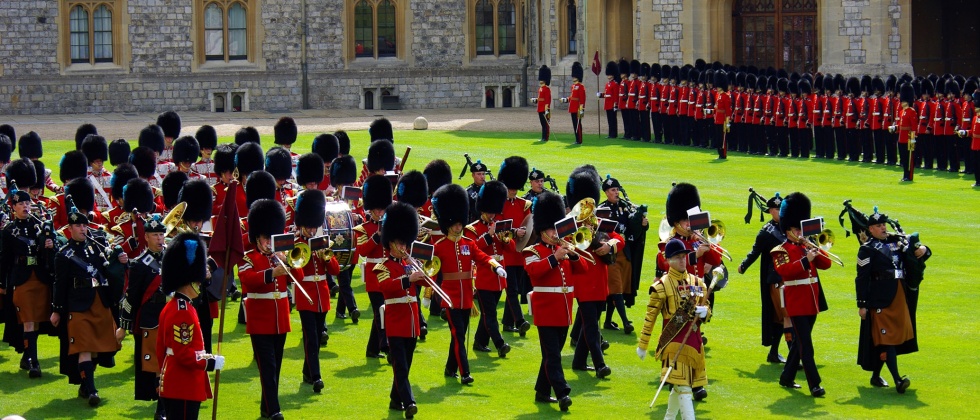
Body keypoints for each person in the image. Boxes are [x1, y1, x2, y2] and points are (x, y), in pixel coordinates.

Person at [51, 206, 127, 407]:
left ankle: (86, 385)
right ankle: (92, 391)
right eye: (78, 226)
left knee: (95, 349)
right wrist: (56, 309)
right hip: (77, 305)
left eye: (84, 225)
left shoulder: (97, 248)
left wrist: (120, 260)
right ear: (70, 228)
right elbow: (60, 283)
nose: (82, 229)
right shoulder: (63, 254)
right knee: (83, 347)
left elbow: (109, 270)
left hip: (99, 301)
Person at [431, 184, 506, 385]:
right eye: (455, 224)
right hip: (450, 298)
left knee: (459, 335)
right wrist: (430, 295)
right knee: (458, 336)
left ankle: (450, 368)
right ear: (448, 224)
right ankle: (465, 372)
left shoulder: (468, 243)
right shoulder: (439, 247)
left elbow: (482, 256)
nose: (458, 227)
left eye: (460, 224)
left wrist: (496, 266)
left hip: (466, 297)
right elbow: (431, 270)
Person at [524, 191, 587, 412]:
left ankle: (542, 391)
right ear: (542, 231)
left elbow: (584, 269)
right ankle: (562, 392)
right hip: (545, 310)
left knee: (552, 355)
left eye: (555, 229)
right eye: (551, 229)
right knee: (552, 356)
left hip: (564, 309)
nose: (554, 233)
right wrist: (555, 257)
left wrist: (574, 255)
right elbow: (534, 271)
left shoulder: (565, 247)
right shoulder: (532, 251)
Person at [855, 208, 930, 394]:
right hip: (879, 298)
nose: (883, 228)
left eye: (883, 224)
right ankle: (898, 380)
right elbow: (861, 278)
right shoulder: (866, 249)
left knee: (891, 338)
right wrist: (862, 304)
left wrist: (923, 249)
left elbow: (916, 254)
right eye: (878, 226)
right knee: (887, 338)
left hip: (899, 294)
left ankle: (875, 376)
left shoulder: (897, 241)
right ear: (870, 229)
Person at [637, 238, 711, 420]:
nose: (682, 260)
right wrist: (643, 345)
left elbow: (706, 308)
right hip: (673, 342)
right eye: (677, 257)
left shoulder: (697, 282)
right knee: (684, 389)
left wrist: (705, 312)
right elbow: (650, 317)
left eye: (683, 257)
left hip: (694, 343)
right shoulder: (661, 286)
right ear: (668, 260)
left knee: (680, 386)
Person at [238, 199, 298, 420]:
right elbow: (247, 280)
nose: (268, 242)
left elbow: (299, 277)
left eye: (271, 238)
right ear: (257, 238)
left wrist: (288, 261)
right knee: (268, 367)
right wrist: (272, 273)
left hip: (280, 318)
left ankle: (266, 407)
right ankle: (274, 410)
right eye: (265, 238)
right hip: (260, 319)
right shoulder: (248, 258)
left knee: (277, 365)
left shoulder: (279, 256)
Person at [156, 233, 224, 420]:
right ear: (189, 281)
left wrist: (208, 356)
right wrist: (209, 363)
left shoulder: (176, 306)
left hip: (176, 382)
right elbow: (184, 354)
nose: (200, 284)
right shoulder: (183, 311)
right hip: (183, 384)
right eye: (197, 280)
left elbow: (163, 349)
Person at [770, 192, 831, 397]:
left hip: (811, 301)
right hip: (796, 302)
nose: (800, 232)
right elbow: (785, 271)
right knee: (806, 345)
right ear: (788, 230)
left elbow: (826, 264)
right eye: (797, 229)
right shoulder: (780, 250)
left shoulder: (806, 246)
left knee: (799, 342)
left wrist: (815, 249)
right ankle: (814, 384)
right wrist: (806, 260)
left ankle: (786, 377)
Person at [0, 159, 52, 378]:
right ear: (14, 207)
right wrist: (2, 283)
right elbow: (4, 259)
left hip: (39, 277)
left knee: (36, 320)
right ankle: (34, 362)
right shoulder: (9, 230)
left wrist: (49, 244)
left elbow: (50, 255)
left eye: (27, 204)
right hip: (21, 279)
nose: (25, 207)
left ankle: (26, 356)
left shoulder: (39, 226)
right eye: (21, 204)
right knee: (28, 320)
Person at [116, 214, 168, 419]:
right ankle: (161, 408)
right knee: (157, 363)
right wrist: (123, 325)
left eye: (161, 234)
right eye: (155, 235)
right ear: (146, 237)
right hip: (151, 319)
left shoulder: (172, 259)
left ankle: (166, 404)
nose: (159, 238)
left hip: (171, 315)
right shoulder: (139, 264)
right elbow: (132, 296)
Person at [374, 202, 422, 419]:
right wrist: (408, 279)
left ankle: (395, 399)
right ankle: (409, 402)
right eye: (400, 243)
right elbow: (386, 287)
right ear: (390, 243)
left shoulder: (410, 263)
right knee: (400, 366)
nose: (403, 247)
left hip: (412, 322)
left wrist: (424, 272)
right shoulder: (383, 266)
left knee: (407, 364)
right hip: (395, 322)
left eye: (405, 243)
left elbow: (426, 282)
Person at [293, 189, 340, 393]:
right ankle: (316, 376)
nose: (312, 230)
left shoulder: (322, 242)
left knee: (317, 336)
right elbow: (297, 275)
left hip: (322, 295)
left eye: (314, 227)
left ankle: (307, 371)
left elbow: (335, 270)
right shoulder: (296, 244)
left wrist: (326, 257)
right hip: (306, 295)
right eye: (309, 227)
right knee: (311, 338)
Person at [737, 192, 788, 364]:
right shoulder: (766, 232)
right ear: (770, 211)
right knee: (786, 316)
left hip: (791, 276)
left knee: (783, 318)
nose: (780, 212)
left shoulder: (791, 226)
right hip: (776, 279)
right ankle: (795, 357)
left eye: (781, 208)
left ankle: (774, 352)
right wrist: (743, 265)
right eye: (776, 209)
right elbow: (755, 252)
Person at [466, 180, 513, 358]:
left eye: (494, 212)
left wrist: (505, 238)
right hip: (484, 276)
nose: (492, 215)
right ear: (482, 210)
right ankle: (500, 344)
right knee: (491, 314)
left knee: (487, 313)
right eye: (489, 212)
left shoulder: (500, 225)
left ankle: (480, 341)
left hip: (499, 276)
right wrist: (489, 235)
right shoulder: (472, 229)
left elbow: (511, 248)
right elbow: (473, 249)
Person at [354, 175, 393, 358]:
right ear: (371, 209)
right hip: (373, 275)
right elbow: (362, 251)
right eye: (377, 209)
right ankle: (385, 345)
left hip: (389, 274)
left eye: (382, 208)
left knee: (383, 312)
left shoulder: (391, 226)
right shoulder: (363, 229)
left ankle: (372, 349)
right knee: (380, 311)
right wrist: (376, 236)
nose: (380, 212)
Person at [495, 157, 532, 336]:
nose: (513, 191)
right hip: (506, 253)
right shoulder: (499, 204)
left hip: (520, 253)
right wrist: (515, 231)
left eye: (515, 188)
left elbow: (529, 224)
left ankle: (508, 323)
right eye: (510, 188)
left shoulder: (523, 204)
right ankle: (519, 320)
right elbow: (498, 227)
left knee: (515, 290)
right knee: (511, 289)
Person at [891, 83, 918, 182]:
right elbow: (900, 125)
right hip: (901, 138)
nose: (901, 102)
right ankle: (905, 175)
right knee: (903, 158)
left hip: (909, 138)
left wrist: (913, 138)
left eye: (903, 101)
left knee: (909, 159)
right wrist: (895, 127)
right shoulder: (902, 112)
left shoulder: (912, 111)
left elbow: (914, 126)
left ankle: (909, 176)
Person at [562, 62, 586, 144]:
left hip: (578, 108)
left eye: (575, 76)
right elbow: (572, 97)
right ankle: (577, 139)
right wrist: (565, 99)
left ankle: (579, 140)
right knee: (575, 124)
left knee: (578, 124)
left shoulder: (581, 86)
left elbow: (582, 99)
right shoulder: (573, 86)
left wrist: (581, 109)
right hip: (572, 107)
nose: (573, 77)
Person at [598, 61, 620, 139]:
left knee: (613, 120)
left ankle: (614, 134)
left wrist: (615, 104)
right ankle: (610, 133)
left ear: (613, 75)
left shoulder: (615, 84)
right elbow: (606, 94)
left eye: (610, 75)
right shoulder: (607, 84)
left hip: (612, 104)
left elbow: (615, 95)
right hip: (607, 104)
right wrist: (601, 95)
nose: (609, 76)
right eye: (608, 75)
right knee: (609, 120)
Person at [532, 65, 552, 142]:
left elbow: (547, 100)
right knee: (543, 124)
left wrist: (547, 110)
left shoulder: (547, 89)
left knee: (546, 124)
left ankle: (546, 137)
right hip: (540, 108)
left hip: (545, 109)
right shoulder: (540, 88)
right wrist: (535, 100)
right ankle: (543, 137)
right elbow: (540, 99)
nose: (540, 80)